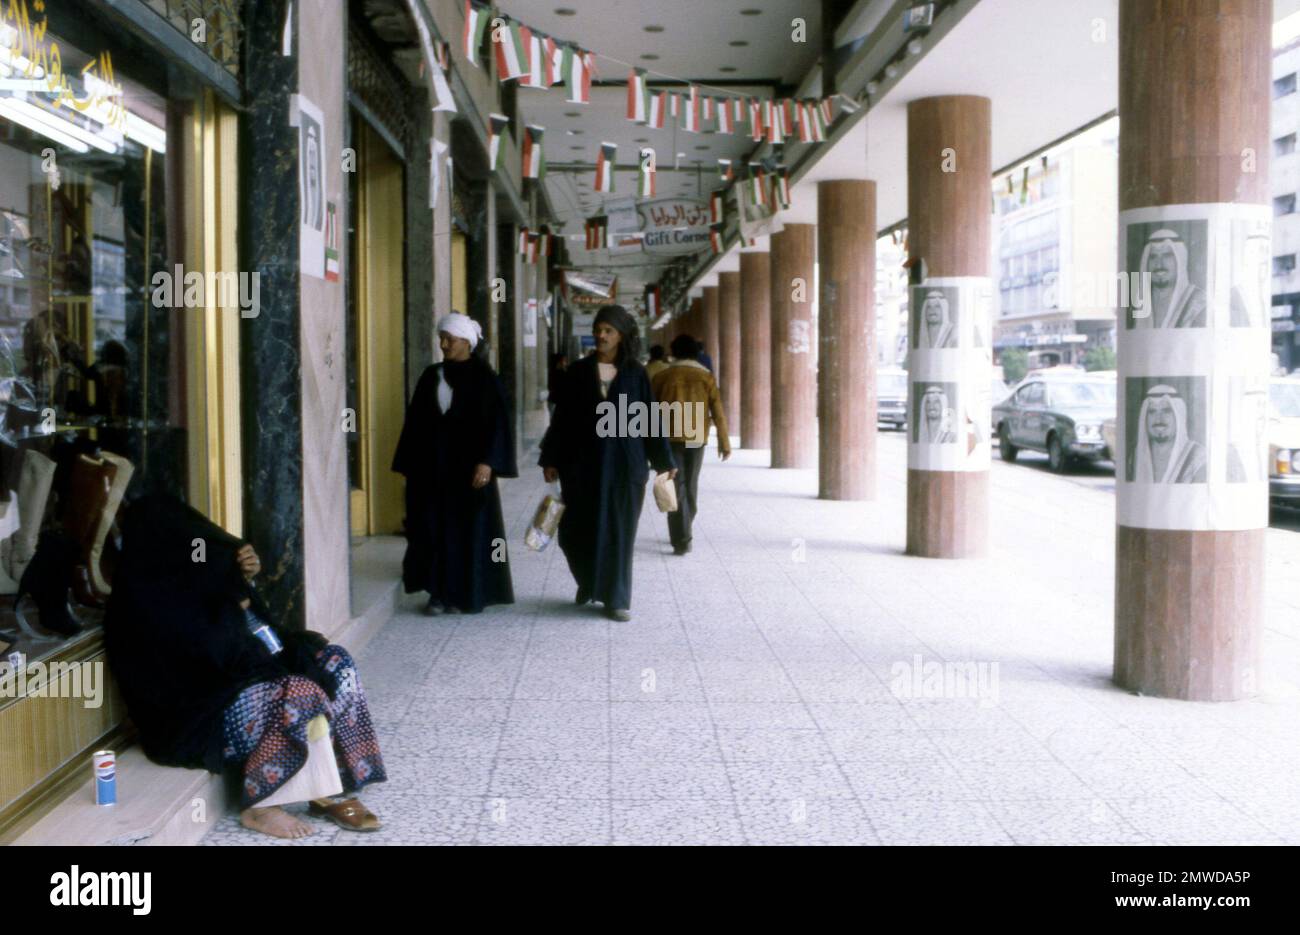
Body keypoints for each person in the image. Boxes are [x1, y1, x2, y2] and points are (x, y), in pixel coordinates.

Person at [103, 495, 386, 840]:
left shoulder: (204, 579)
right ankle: (262, 806)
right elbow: (210, 665)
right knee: (300, 693)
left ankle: (333, 781)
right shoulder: (145, 602)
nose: (204, 552)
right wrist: (229, 608)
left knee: (335, 662)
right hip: (199, 720)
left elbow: (271, 643)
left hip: (246, 685)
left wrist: (243, 578)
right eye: (197, 547)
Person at [539, 305, 676, 621]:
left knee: (618, 531)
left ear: (621, 335)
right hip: (581, 465)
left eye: (608, 330)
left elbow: (649, 419)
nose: (600, 335)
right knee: (574, 531)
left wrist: (663, 460)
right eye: (598, 329)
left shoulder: (635, 373)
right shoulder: (577, 371)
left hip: (624, 466)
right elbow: (562, 419)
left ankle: (615, 598)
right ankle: (589, 582)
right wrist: (551, 457)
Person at [393, 312, 516, 615]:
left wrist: (488, 462)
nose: (444, 344)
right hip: (434, 470)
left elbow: (499, 423)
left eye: (449, 339)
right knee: (433, 529)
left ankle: (468, 594)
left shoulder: (486, 379)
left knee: (469, 532)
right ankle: (437, 593)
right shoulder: (431, 375)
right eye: (442, 338)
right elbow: (415, 423)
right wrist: (411, 466)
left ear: (466, 342)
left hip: (470, 471)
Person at [651, 334, 730, 555]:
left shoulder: (662, 376)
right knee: (691, 485)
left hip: (669, 437)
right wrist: (724, 442)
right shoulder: (705, 377)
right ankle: (684, 530)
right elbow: (718, 411)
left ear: (673, 352)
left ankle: (681, 535)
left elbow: (649, 410)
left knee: (676, 486)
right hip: (696, 436)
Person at [1131, 384, 1206, 483]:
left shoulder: (1199, 457)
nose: (1158, 419)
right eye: (1152, 412)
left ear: (1178, 416)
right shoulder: (1134, 456)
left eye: (1166, 411)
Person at [1137, 228, 1207, 328]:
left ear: (1180, 261)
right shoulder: (1135, 305)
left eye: (1167, 256)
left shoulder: (1199, 304)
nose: (1159, 264)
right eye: (1153, 257)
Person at [547, 352, 569, 418]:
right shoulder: (561, 374)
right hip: (557, 402)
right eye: (564, 361)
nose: (565, 363)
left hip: (554, 401)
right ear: (559, 362)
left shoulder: (552, 373)